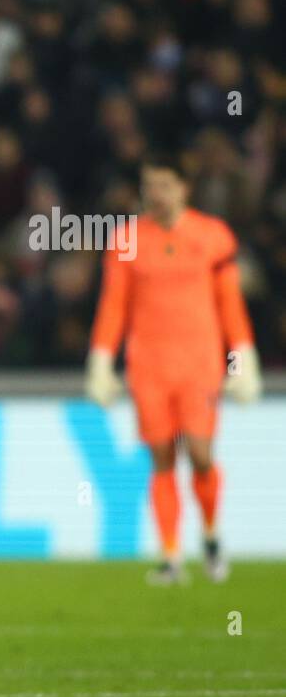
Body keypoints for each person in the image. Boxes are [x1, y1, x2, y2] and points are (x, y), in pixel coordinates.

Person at [86, 152, 261, 584]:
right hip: (149, 365)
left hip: (200, 363)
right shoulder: (127, 240)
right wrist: (102, 362)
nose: (157, 195)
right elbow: (113, 307)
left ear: (184, 188)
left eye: (165, 185)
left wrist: (241, 362)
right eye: (149, 186)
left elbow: (230, 307)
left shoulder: (213, 236)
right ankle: (170, 556)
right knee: (162, 457)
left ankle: (212, 535)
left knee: (200, 454)